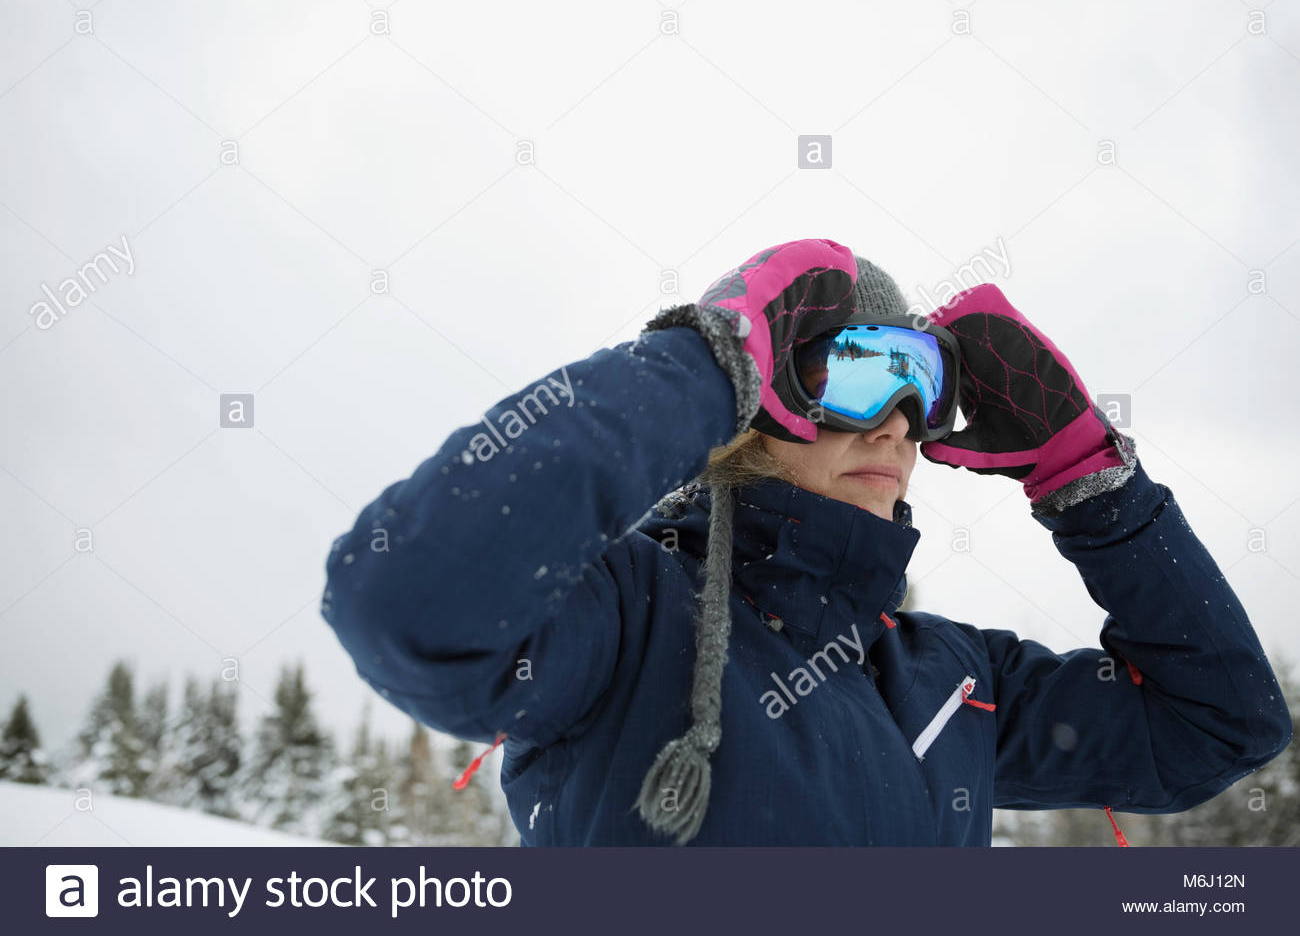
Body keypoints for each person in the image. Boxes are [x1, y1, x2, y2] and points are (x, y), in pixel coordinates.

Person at [320, 238, 1292, 845]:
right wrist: (697, 361)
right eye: (861, 373)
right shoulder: (624, 617)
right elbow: (404, 603)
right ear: (759, 397)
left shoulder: (954, 678)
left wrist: (1092, 484)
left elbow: (1221, 726)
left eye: (920, 393)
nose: (897, 426)